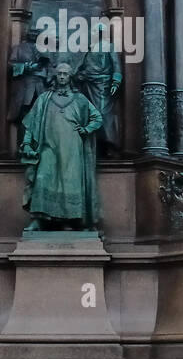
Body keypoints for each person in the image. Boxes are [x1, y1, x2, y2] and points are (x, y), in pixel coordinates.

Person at [20, 62, 102, 230]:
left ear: (70, 77)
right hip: (48, 147)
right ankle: (38, 219)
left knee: (69, 182)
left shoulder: (80, 99)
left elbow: (97, 118)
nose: (62, 77)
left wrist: (86, 129)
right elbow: (31, 124)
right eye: (59, 74)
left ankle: (68, 220)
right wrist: (27, 143)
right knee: (42, 178)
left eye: (65, 74)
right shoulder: (44, 98)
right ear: (55, 76)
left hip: (72, 149)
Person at [73, 21, 122, 156]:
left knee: (103, 114)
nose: (94, 34)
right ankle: (94, 146)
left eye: (96, 32)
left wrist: (116, 81)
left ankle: (109, 144)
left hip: (103, 86)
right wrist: (79, 76)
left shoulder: (109, 47)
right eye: (94, 32)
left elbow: (116, 65)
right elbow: (80, 67)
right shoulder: (90, 48)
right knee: (89, 115)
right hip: (88, 86)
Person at [8, 25, 50, 146]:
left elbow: (50, 67)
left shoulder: (43, 49)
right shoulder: (19, 48)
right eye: (31, 31)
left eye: (36, 32)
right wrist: (26, 67)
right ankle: (25, 146)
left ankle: (40, 146)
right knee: (25, 116)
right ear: (27, 33)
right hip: (26, 86)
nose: (33, 34)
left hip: (41, 86)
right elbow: (11, 65)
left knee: (43, 116)